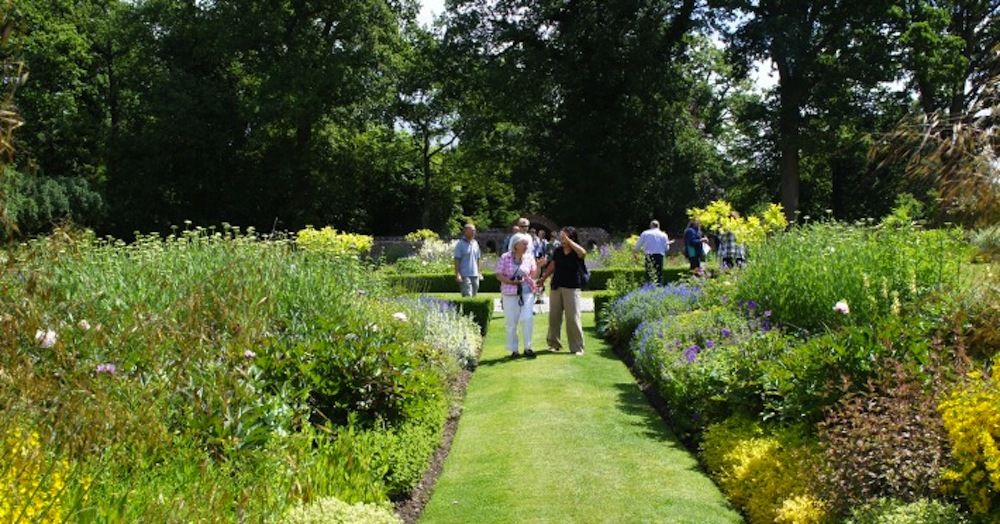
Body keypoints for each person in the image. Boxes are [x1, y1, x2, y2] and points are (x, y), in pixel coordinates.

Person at [539, 227, 587, 355]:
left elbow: (583, 253)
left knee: (572, 318)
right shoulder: (558, 251)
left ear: (572, 237)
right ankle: (554, 344)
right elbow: (552, 265)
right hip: (556, 286)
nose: (562, 240)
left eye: (565, 237)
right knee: (554, 317)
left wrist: (569, 241)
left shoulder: (577, 251)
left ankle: (577, 348)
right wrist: (543, 278)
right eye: (562, 237)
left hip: (572, 287)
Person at [496, 233, 539, 358]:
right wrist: (511, 282)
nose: (526, 246)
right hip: (509, 293)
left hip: (527, 292)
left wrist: (540, 266)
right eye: (524, 244)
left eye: (527, 244)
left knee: (527, 319)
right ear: (515, 245)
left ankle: (528, 347)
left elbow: (534, 275)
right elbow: (499, 274)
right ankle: (514, 350)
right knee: (511, 322)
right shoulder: (505, 257)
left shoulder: (530, 257)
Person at [634, 220, 672, 285]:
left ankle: (648, 288)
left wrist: (635, 251)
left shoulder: (645, 233)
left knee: (649, 273)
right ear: (658, 226)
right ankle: (659, 288)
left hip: (649, 255)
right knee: (659, 273)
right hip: (659, 255)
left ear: (651, 226)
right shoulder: (664, 235)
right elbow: (667, 248)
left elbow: (638, 245)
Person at [454, 223, 482, 296]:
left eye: (474, 231)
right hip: (464, 275)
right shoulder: (460, 244)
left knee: (474, 296)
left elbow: (478, 258)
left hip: (475, 274)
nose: (474, 232)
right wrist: (457, 274)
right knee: (467, 295)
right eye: (472, 231)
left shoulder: (475, 243)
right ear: (466, 232)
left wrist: (479, 272)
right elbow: (457, 260)